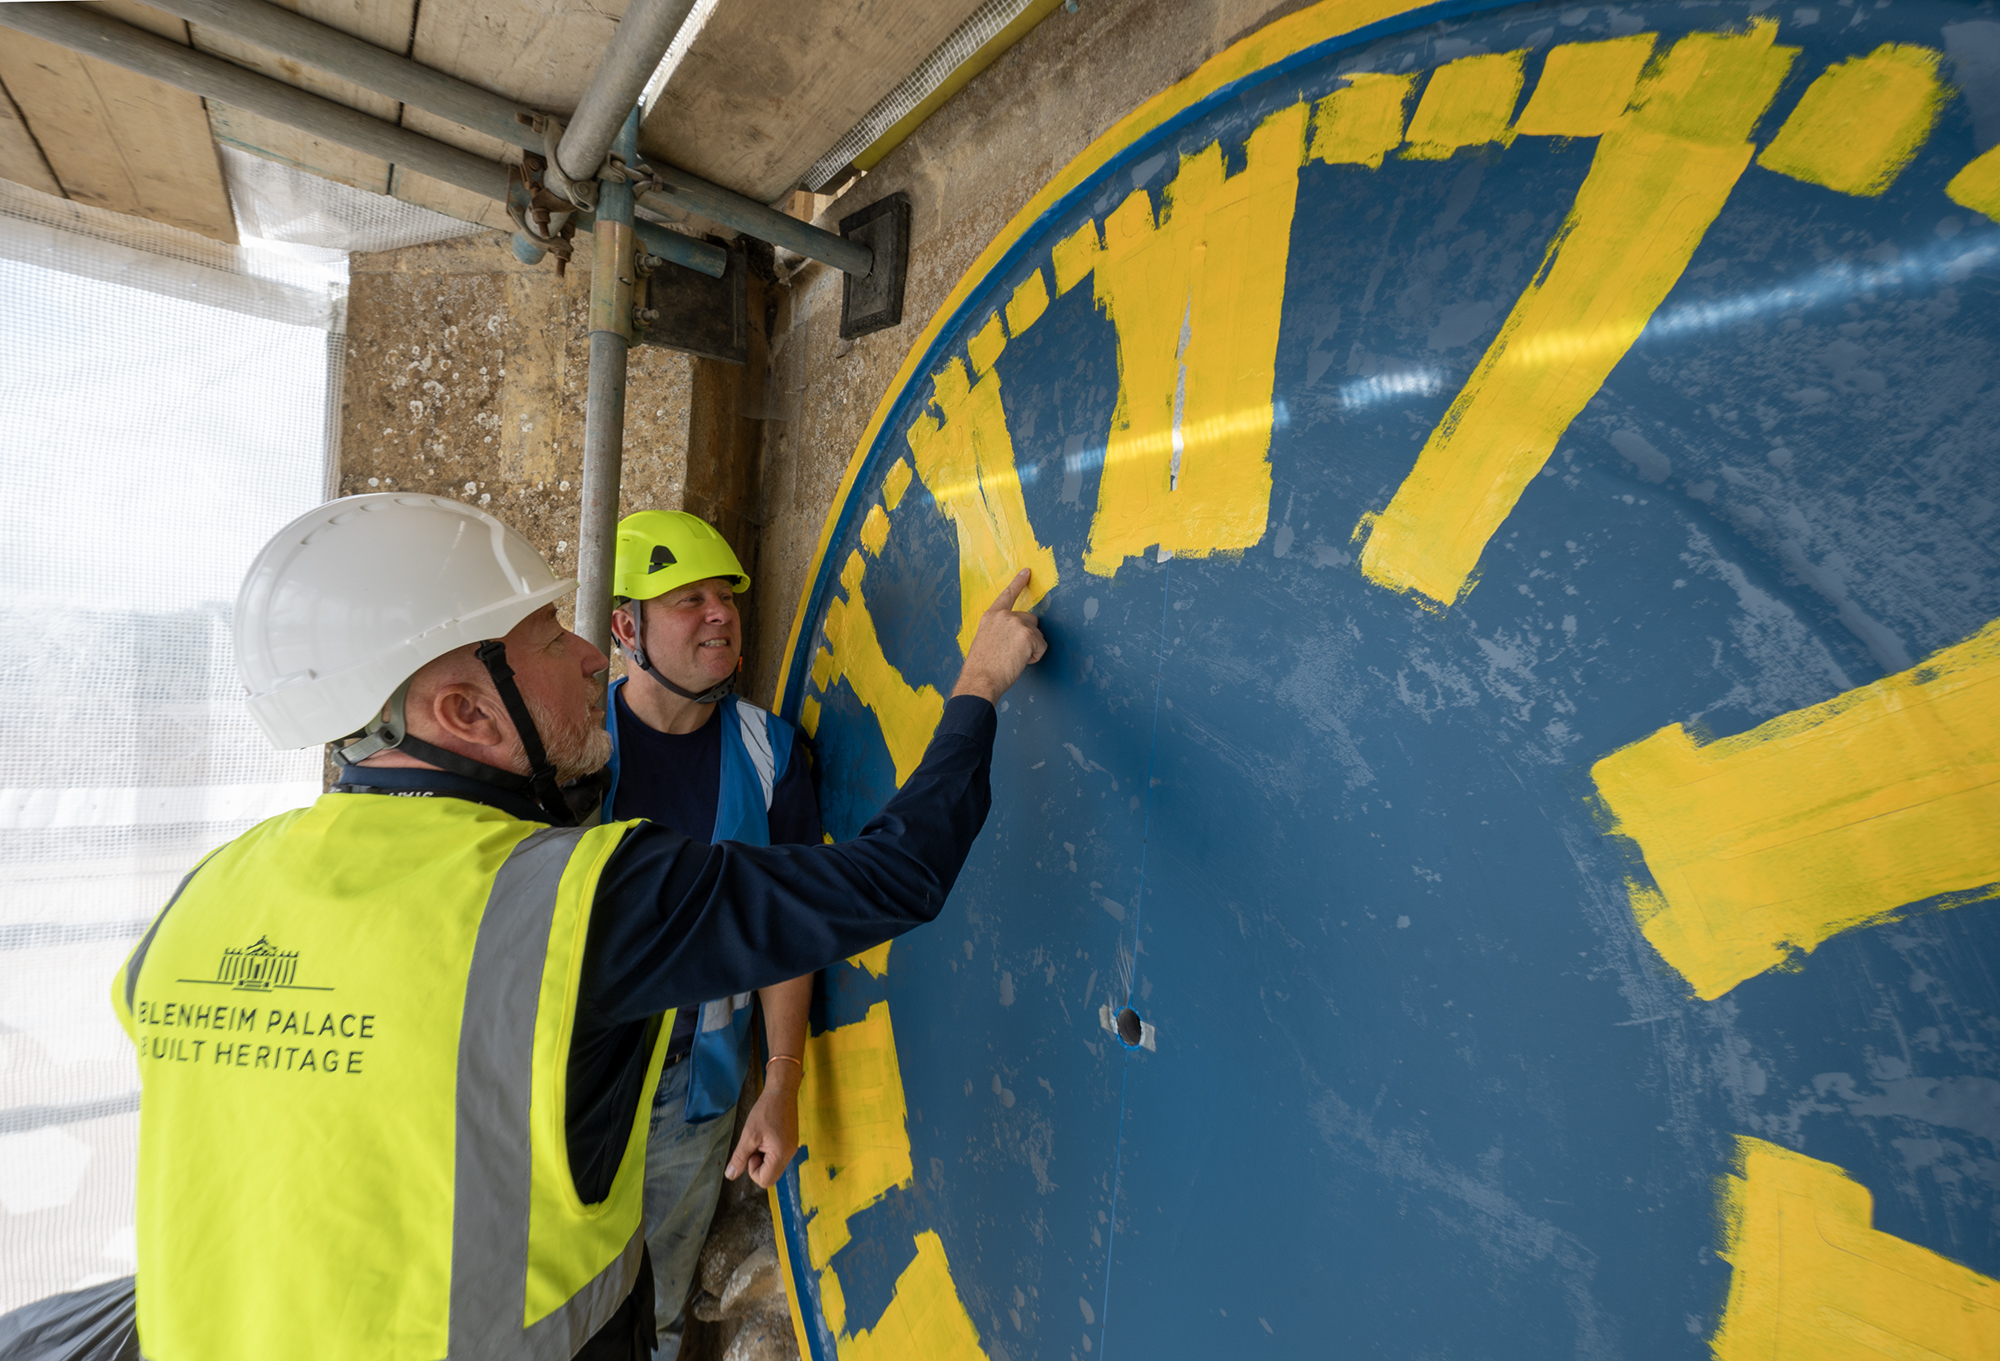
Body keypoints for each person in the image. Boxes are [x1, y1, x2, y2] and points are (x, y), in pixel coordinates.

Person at [112, 493, 1044, 1361]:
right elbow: (896, 876)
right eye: (547, 637)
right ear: (466, 711)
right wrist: (977, 683)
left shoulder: (198, 901)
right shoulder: (572, 897)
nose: (591, 653)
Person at [599, 511, 817, 1359]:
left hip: (693, 1094)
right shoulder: (579, 747)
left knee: (650, 1311)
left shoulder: (769, 753)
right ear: (626, 626)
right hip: (570, 1075)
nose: (720, 613)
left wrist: (781, 1081)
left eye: (725, 596)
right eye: (688, 598)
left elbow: (789, 932)